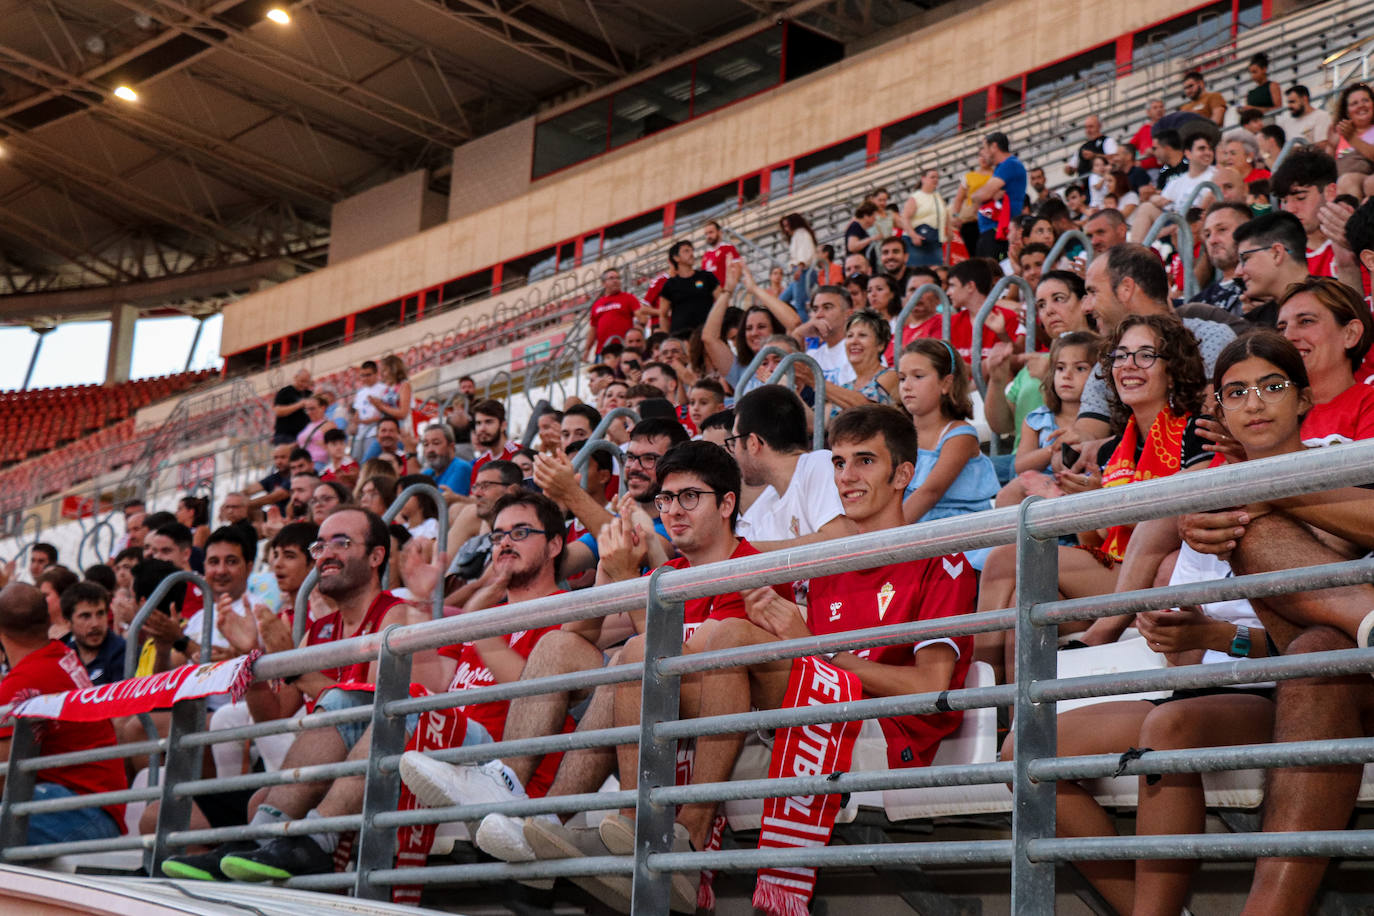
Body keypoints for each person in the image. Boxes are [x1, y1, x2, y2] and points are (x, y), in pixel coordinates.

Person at [605, 409, 976, 905]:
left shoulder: (938, 557)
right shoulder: (824, 567)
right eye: (839, 463)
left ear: (904, 474)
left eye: (865, 461)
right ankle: (640, 828)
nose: (847, 477)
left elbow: (931, 689)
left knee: (730, 634)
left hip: (884, 731)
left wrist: (817, 647)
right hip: (809, 711)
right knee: (639, 654)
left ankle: (693, 825)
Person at [1010, 341, 1289, 916]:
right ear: (1216, 407)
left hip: (1277, 691)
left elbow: (1311, 643)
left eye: (1272, 388)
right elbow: (1187, 642)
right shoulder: (1196, 489)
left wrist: (1210, 637)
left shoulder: (1325, 473)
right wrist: (1172, 634)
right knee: (1028, 750)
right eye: (1236, 393)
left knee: (1169, 725)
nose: (1253, 405)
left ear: (1303, 399)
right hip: (1191, 687)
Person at [160, 507, 435, 882]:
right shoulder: (319, 630)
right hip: (339, 758)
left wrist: (291, 666)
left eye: (342, 543)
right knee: (260, 797)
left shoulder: (396, 616)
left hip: (396, 753)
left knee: (341, 703)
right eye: (320, 545)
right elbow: (272, 720)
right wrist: (254, 665)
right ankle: (256, 843)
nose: (326, 554)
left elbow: (373, 709)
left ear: (375, 557)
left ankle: (274, 841)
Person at [981, 313, 1211, 679]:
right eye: (1121, 356)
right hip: (1119, 568)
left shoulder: (1197, 431)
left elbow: (1185, 513)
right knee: (1013, 590)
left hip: (1173, 569)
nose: (1129, 366)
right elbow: (1100, 541)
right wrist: (1086, 510)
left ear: (1174, 368)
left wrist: (1106, 504)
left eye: (1145, 355)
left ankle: (994, 698)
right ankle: (1000, 713)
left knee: (1010, 570)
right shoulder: (1110, 451)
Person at [0, 583, 128, 845]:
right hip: (95, 806)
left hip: (84, 811)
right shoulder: (59, 654)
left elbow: (3, 777)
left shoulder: (24, 680)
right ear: (49, 620)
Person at [897, 340, 1000, 548]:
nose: (906, 385)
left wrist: (885, 538)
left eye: (918, 376)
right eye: (901, 378)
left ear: (946, 384)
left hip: (959, 540)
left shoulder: (960, 435)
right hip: (912, 532)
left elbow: (930, 492)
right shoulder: (897, 434)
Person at [731, 385, 855, 552]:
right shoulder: (763, 505)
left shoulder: (817, 464)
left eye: (734, 441)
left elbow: (842, 539)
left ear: (753, 443)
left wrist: (753, 551)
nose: (734, 452)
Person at [984, 270, 1092, 451]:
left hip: (1066, 463)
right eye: (1041, 305)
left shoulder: (1101, 353)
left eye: (1058, 299)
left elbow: (1102, 418)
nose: (1049, 310)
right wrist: (996, 380)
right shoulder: (1037, 362)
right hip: (1020, 464)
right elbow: (1002, 425)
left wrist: (1049, 377)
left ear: (1084, 302)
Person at [996, 331, 1098, 508]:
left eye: (1080, 368)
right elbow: (1019, 465)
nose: (1067, 375)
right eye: (1060, 368)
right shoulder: (1037, 420)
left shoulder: (1104, 422)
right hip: (1041, 499)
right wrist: (1052, 449)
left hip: (1085, 493)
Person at [702, 261, 799, 396]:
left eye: (761, 326)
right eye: (748, 328)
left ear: (774, 329)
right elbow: (709, 338)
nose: (754, 333)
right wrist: (728, 290)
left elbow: (794, 323)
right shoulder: (740, 369)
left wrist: (754, 289)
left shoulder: (788, 357)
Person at [907, 258, 1023, 365]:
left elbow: (1018, 363)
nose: (948, 293)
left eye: (952, 285)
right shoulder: (951, 323)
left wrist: (1002, 334)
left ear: (970, 286)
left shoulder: (1008, 317)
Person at [1130, 133, 1216, 242]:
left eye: (1210, 149)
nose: (1208, 153)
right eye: (1202, 149)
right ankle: (1135, 251)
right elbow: (1161, 201)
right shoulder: (1177, 181)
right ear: (1188, 153)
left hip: (1197, 224)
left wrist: (1172, 227)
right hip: (1176, 221)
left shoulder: (1215, 175)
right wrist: (1154, 199)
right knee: (1146, 207)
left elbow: (1204, 211)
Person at [1232, 211, 1313, 326]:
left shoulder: (1339, 300)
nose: (1238, 272)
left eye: (1245, 259)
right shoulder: (1252, 324)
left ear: (1276, 253)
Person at [823, 310, 899, 418]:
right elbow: (814, 424)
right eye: (849, 336)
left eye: (862, 335)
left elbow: (865, 409)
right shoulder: (845, 387)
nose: (854, 341)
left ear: (881, 344)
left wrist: (815, 380)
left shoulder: (891, 376)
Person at [970, 131, 1027, 259]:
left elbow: (983, 194)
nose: (983, 154)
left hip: (999, 232)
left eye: (985, 148)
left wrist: (978, 195)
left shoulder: (1009, 164)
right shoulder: (1002, 167)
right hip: (993, 231)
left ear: (994, 147)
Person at [59, 580, 126, 686]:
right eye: (85, 616)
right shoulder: (63, 658)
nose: (95, 624)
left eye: (100, 614)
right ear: (67, 622)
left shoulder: (124, 653)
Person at [790, 285, 857, 387]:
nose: (818, 315)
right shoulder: (813, 355)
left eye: (827, 308)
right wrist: (798, 334)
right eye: (815, 309)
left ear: (848, 314)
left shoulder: (858, 350)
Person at [1194, 201, 1253, 317]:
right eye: (1207, 235)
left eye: (1222, 230)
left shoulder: (1265, 290)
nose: (1212, 240)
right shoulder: (1196, 303)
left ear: (1248, 232)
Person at [651, 240, 719, 336]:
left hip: (707, 333)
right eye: (686, 251)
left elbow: (721, 301)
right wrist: (668, 338)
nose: (691, 254)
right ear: (676, 258)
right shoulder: (669, 285)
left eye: (692, 251)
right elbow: (663, 315)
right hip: (681, 338)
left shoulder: (707, 277)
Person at [1329, 82, 1374, 201]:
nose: (1361, 105)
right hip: (1343, 181)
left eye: (1365, 100)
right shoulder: (1340, 134)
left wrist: (1353, 139)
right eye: (1354, 103)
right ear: (1347, 112)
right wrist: (1331, 146)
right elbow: (1328, 168)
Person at [586, 267, 643, 358]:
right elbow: (593, 329)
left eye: (617, 278)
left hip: (623, 348)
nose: (616, 281)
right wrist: (587, 350)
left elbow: (641, 318)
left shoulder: (628, 298)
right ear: (604, 283)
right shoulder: (596, 304)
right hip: (603, 351)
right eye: (611, 278)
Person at [901, 168, 948, 266]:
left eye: (937, 177)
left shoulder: (938, 197)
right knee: (917, 272)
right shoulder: (916, 197)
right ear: (923, 179)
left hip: (935, 241)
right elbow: (905, 218)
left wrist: (950, 232)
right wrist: (913, 235)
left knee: (936, 273)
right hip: (917, 240)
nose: (935, 179)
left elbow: (945, 216)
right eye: (932, 177)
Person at [469, 399, 520, 485]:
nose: (482, 429)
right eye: (478, 423)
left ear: (503, 425)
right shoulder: (478, 464)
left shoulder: (519, 456)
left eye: (488, 422)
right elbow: (475, 496)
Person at [419, 421, 473, 502]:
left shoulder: (461, 467)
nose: (430, 450)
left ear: (451, 447)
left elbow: (441, 505)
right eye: (426, 444)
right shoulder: (427, 473)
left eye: (436, 443)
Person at [779, 213, 818, 318]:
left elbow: (805, 254)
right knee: (781, 300)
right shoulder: (798, 235)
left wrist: (799, 269)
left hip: (803, 271)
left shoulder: (801, 234)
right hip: (801, 271)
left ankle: (807, 332)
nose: (786, 229)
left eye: (787, 226)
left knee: (799, 305)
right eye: (784, 227)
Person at [1276, 84, 1333, 149]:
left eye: (1292, 102)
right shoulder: (1286, 122)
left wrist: (1294, 150)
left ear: (1304, 99)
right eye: (1288, 103)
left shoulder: (1321, 116)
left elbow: (1323, 145)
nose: (1289, 106)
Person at [271, 368, 313, 445]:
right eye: (302, 381)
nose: (304, 385)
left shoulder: (309, 394)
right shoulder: (285, 392)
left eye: (307, 382)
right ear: (295, 377)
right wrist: (299, 405)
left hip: (304, 436)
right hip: (285, 436)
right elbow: (278, 411)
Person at [295, 395, 337, 470]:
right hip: (302, 463)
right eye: (307, 410)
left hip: (318, 463)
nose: (309, 412)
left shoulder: (328, 425)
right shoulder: (309, 425)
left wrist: (324, 446)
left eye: (312, 409)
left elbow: (336, 447)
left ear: (323, 408)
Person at [699, 219, 739, 285]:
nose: (708, 236)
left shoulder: (728, 248)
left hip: (726, 291)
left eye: (711, 232)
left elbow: (737, 269)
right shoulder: (706, 255)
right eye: (706, 234)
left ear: (719, 232)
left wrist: (730, 289)